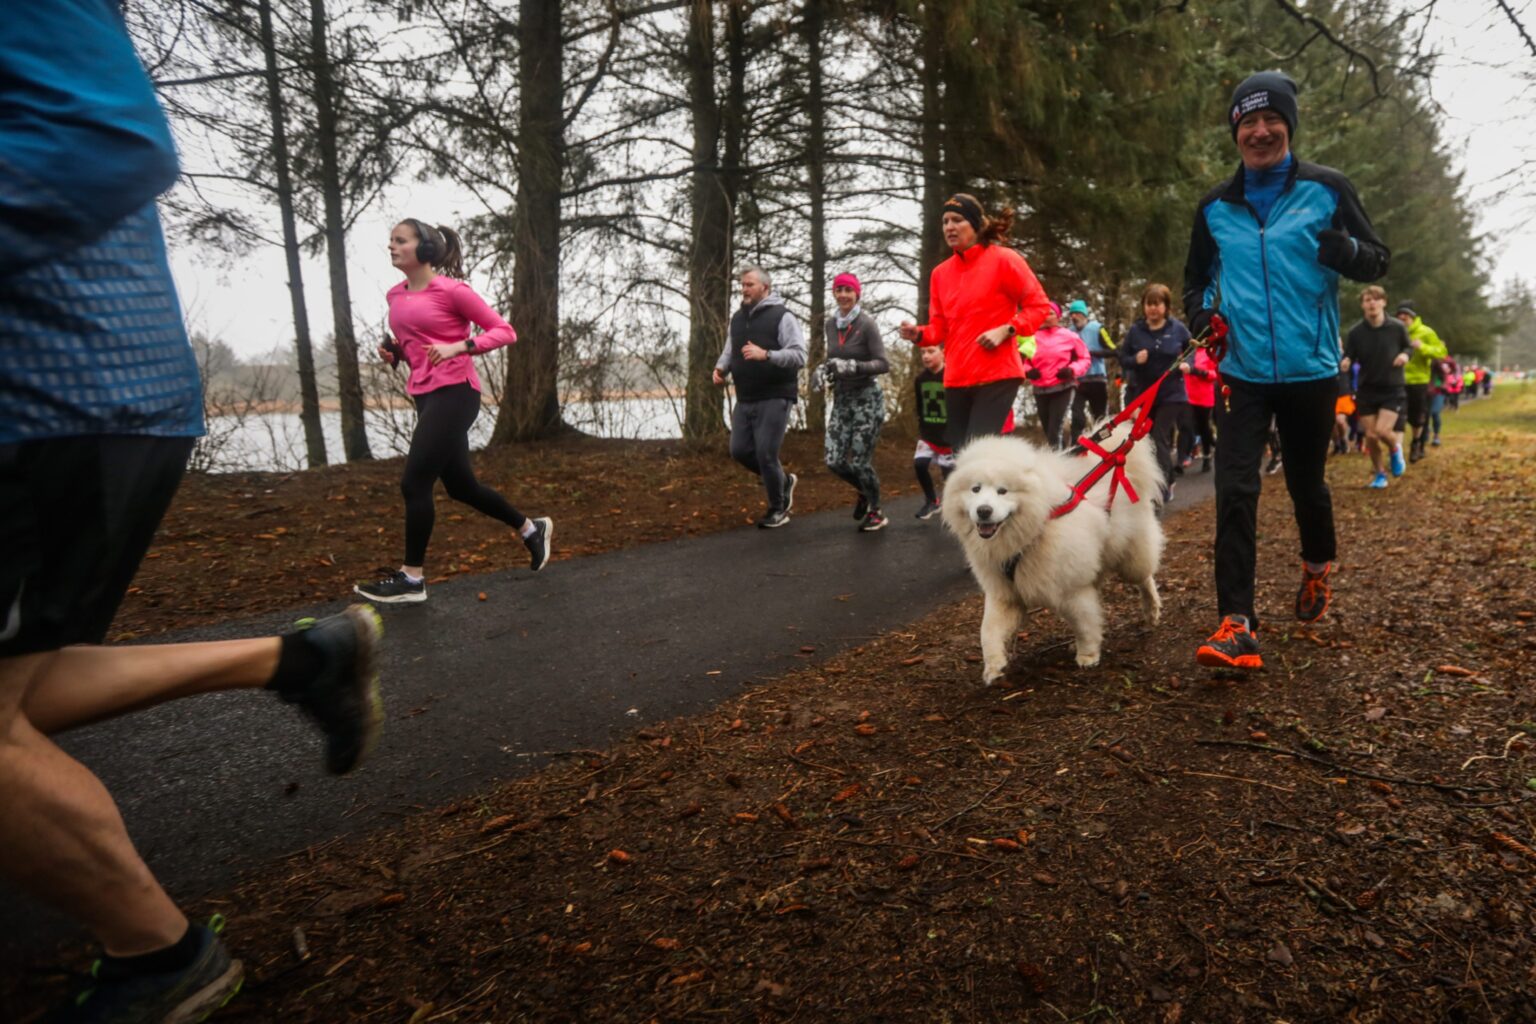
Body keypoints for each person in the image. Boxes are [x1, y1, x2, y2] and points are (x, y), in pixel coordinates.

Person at [1, 4, 386, 1019]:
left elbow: (108, 133)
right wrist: (407, 352)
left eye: (403, 240)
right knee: (17, 687)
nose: (395, 250)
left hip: (51, 388)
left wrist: (459, 362)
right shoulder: (406, 291)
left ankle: (159, 954)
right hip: (76, 395)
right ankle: (303, 659)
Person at [1183, 70, 1390, 669]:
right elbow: (1196, 280)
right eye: (1248, 121)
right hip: (1242, 371)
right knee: (1235, 489)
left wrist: (1348, 253)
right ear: (1235, 132)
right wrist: (1202, 315)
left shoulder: (1328, 189)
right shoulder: (1215, 208)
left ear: (1289, 125)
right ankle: (1236, 622)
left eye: (1271, 119)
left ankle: (1317, 566)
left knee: (1306, 485)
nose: (1260, 130)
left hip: (1311, 370)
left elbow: (1378, 258)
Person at [355, 221, 552, 603]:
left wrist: (460, 346)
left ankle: (412, 579)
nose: (391, 247)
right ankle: (531, 529)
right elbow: (416, 342)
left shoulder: (453, 290)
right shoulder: (395, 295)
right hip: (426, 395)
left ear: (425, 248)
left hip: (457, 393)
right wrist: (395, 352)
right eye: (390, 241)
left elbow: (504, 331)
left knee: (415, 483)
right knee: (461, 487)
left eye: (400, 241)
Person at [897, 194, 1051, 448]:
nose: (949, 227)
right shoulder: (940, 274)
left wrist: (1007, 329)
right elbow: (939, 329)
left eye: (957, 220)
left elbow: (1039, 306)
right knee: (961, 456)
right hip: (956, 377)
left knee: (978, 451)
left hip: (997, 374)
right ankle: (1012, 484)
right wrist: (919, 334)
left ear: (976, 225)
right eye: (945, 221)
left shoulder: (1005, 260)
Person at [714, 266, 807, 528]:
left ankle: (778, 508)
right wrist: (721, 368)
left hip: (776, 395)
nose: (744, 289)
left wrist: (767, 354)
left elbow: (800, 355)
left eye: (749, 285)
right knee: (740, 450)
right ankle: (784, 481)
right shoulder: (737, 318)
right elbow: (729, 351)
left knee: (766, 453)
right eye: (742, 285)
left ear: (765, 288)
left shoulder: (782, 316)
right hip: (746, 396)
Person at [816, 272, 891, 532]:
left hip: (867, 400)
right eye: (839, 290)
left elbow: (883, 364)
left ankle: (877, 511)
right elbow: (833, 358)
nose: (844, 295)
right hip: (842, 399)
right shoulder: (830, 325)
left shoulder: (866, 324)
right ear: (834, 294)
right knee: (833, 460)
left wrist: (853, 366)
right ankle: (863, 489)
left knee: (860, 461)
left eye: (849, 290)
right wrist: (823, 371)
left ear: (857, 294)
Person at [1119, 283, 1192, 499]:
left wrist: (1188, 363)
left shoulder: (1176, 328)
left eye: (1157, 304)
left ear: (1166, 306)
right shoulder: (1135, 331)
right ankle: (1166, 479)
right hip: (1145, 394)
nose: (1153, 309)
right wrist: (1135, 360)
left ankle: (1161, 489)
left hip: (1172, 393)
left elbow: (1193, 348)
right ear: (1143, 306)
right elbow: (1123, 358)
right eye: (1149, 304)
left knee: (1159, 436)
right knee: (1147, 440)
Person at [1341, 285, 1410, 488]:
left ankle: (1395, 449)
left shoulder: (1397, 327)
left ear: (1383, 302)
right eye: (1367, 300)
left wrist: (1405, 354)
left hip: (1392, 387)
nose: (1372, 303)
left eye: (1375, 299)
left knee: (1381, 431)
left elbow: (1407, 346)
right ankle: (1380, 475)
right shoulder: (1356, 332)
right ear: (1363, 305)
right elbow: (1350, 353)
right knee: (1370, 436)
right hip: (1366, 389)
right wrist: (1346, 361)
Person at [1022, 302, 1090, 450]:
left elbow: (1085, 358)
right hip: (1040, 389)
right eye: (1044, 313)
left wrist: (1071, 370)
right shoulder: (1032, 337)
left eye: (1051, 313)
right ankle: (1064, 455)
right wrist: (1028, 371)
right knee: (1048, 430)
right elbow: (1023, 361)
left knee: (1055, 429)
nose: (1047, 317)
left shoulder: (1070, 336)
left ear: (1058, 316)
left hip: (1063, 387)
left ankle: (1058, 465)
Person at [1395, 301, 1447, 462]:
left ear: (1412, 316)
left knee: (1417, 417)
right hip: (1397, 380)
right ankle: (1397, 454)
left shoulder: (1426, 332)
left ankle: (1417, 444)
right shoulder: (1394, 331)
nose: (1402, 318)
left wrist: (1422, 347)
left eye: (1405, 315)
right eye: (1399, 315)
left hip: (1419, 381)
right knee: (1398, 417)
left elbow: (1441, 352)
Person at [912, 345, 953, 520]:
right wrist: (922, 428)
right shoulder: (920, 379)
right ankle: (931, 500)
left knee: (949, 475)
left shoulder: (952, 376)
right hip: (928, 433)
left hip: (950, 436)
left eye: (931, 351)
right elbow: (920, 406)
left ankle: (954, 507)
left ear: (943, 352)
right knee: (920, 464)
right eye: (923, 352)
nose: (926, 356)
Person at [1065, 300, 1117, 438]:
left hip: (1097, 379)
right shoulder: (1068, 332)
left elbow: (1113, 350)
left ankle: (1106, 444)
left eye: (1077, 313)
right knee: (1077, 417)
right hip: (1077, 381)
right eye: (1071, 314)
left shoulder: (1098, 328)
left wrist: (1092, 353)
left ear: (1084, 314)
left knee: (1100, 418)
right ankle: (1076, 447)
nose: (1074, 317)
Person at [1180, 344, 1220, 473]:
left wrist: (1197, 372)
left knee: (1203, 428)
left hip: (1204, 397)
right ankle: (1182, 459)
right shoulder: (1186, 352)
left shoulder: (1210, 352)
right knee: (1186, 426)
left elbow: (1215, 374)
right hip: (1186, 396)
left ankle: (1207, 456)